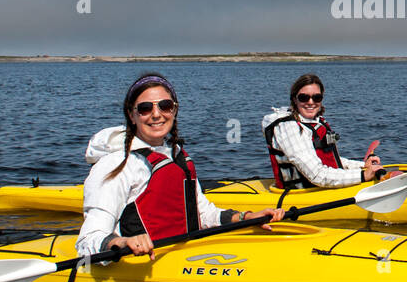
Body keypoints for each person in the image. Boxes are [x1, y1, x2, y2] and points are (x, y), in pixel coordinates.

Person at [77, 73, 283, 257]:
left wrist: (245, 217)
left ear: (174, 111)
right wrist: (121, 242)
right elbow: (88, 239)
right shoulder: (116, 164)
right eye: (145, 108)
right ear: (132, 115)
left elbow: (202, 214)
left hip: (184, 254)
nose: (156, 114)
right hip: (138, 265)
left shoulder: (175, 155)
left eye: (165, 106)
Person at [261, 73, 400, 189]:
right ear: (294, 99)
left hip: (320, 187)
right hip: (301, 194)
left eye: (317, 97)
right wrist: (363, 175)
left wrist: (362, 165)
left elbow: (328, 161)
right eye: (304, 97)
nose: (310, 102)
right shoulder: (288, 128)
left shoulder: (314, 121)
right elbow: (317, 175)